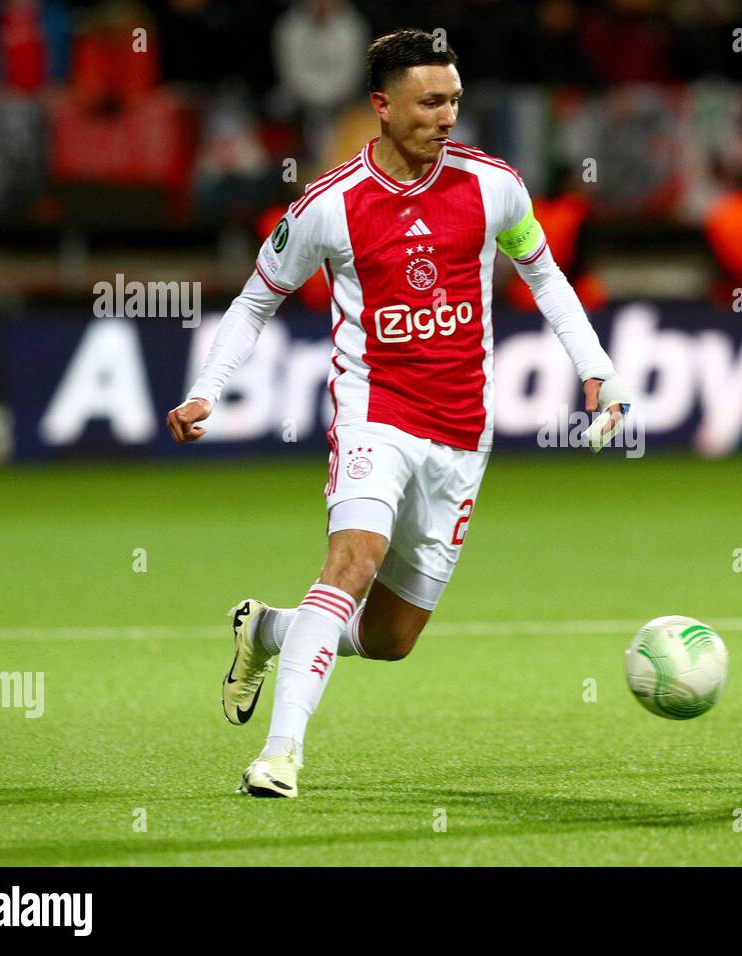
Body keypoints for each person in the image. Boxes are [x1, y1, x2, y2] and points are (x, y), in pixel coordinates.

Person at [165, 29, 629, 798]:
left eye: (453, 100)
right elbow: (254, 302)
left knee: (390, 639)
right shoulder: (329, 206)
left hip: (462, 433)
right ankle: (280, 755)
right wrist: (209, 387)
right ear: (382, 106)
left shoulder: (495, 187)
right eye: (429, 102)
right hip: (374, 413)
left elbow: (544, 277)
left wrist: (599, 372)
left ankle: (268, 630)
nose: (447, 116)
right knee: (351, 562)